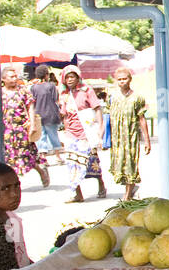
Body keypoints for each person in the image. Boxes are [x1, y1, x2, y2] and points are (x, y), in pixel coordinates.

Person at [59, 68, 106, 203]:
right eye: (67, 78)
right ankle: (77, 193)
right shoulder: (64, 94)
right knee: (72, 163)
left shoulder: (87, 91)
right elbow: (65, 115)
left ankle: (101, 184)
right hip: (71, 134)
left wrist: (100, 127)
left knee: (92, 161)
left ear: (78, 77)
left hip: (86, 132)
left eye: (72, 77)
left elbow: (97, 109)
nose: (70, 80)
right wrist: (65, 132)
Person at [1, 67, 49, 187]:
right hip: (7, 130)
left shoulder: (23, 91)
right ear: (3, 79)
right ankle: (14, 183)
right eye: (11, 77)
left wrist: (32, 124)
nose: (14, 78)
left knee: (27, 155)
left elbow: (30, 107)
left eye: (15, 76)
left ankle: (41, 171)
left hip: (22, 128)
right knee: (10, 157)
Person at [108, 67, 150, 202]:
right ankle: (130, 189)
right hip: (117, 137)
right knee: (119, 164)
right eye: (119, 80)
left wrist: (147, 140)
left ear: (130, 79)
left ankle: (127, 194)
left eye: (124, 79)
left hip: (130, 137)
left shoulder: (137, 98)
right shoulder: (113, 96)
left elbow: (142, 119)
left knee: (130, 164)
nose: (122, 82)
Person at [0, 161, 31, 268]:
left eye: (17, 186)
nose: (14, 194)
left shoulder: (13, 219)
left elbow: (22, 257)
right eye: (5, 188)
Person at [30, 65, 63, 160]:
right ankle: (58, 156)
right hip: (50, 114)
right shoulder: (51, 86)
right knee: (53, 135)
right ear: (46, 75)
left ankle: (43, 157)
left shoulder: (33, 87)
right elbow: (55, 99)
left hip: (38, 115)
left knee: (41, 136)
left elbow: (33, 101)